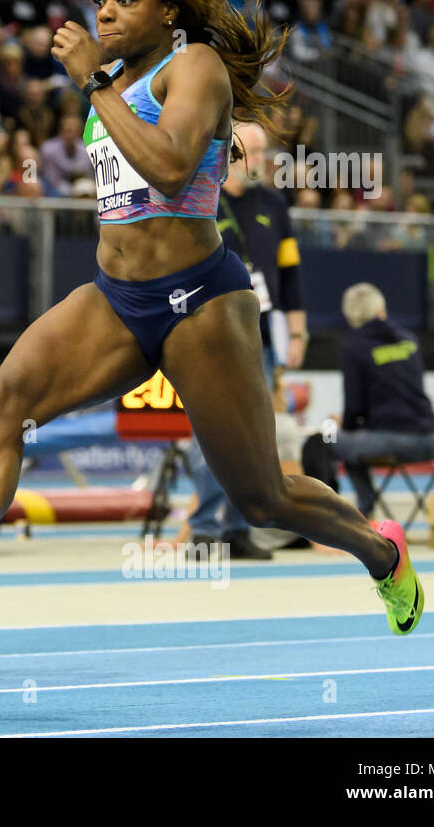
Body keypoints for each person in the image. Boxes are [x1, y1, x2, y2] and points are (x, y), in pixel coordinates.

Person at [0, 0, 423, 652]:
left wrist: (91, 85)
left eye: (125, 0)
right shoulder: (119, 76)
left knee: (260, 498)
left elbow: (168, 168)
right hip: (116, 298)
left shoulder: (195, 66)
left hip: (201, 301)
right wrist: (101, 83)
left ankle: (382, 553)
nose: (105, 11)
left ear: (170, 9)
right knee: (4, 402)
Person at [185, 120, 307, 559]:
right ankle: (203, 529)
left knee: (255, 433)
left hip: (262, 333)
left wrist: (297, 329)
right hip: (211, 332)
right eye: (249, 154)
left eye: (261, 155)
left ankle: (238, 527)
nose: (257, 162)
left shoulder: (274, 204)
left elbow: (289, 274)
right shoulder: (201, 197)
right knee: (210, 429)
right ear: (227, 153)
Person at [330, 283, 434, 517]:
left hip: (387, 440)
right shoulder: (409, 340)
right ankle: (364, 508)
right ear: (381, 309)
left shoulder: (354, 348)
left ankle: (355, 512)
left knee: (326, 440)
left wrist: (344, 427)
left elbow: (354, 407)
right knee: (350, 443)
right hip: (429, 439)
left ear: (350, 315)